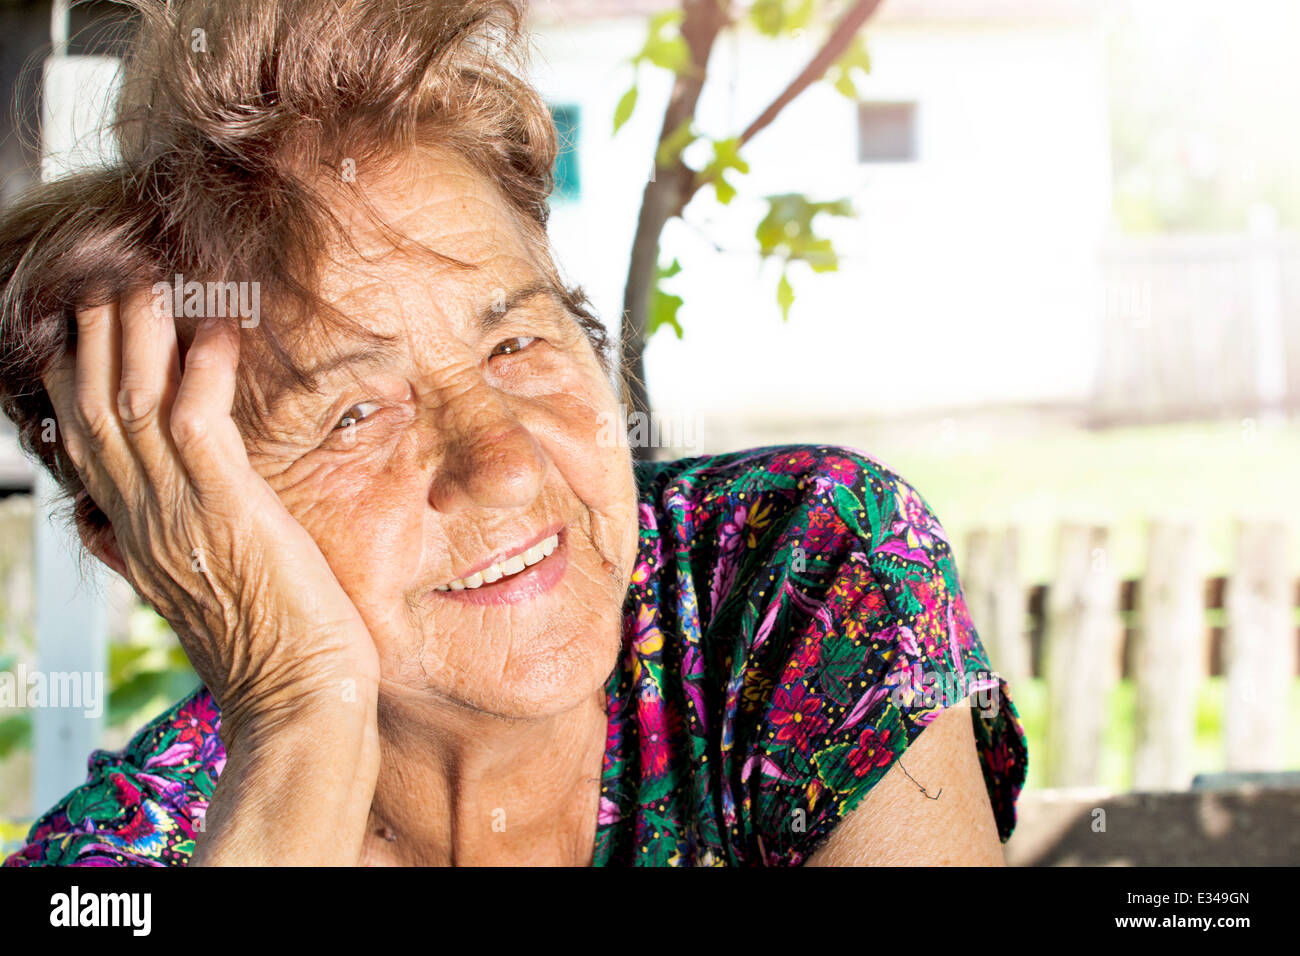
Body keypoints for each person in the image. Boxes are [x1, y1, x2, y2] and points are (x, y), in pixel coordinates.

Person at [0, 0, 1025, 866]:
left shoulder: (792, 568)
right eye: (354, 414)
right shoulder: (113, 863)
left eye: (518, 341)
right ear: (159, 531)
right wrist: (302, 721)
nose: (505, 465)